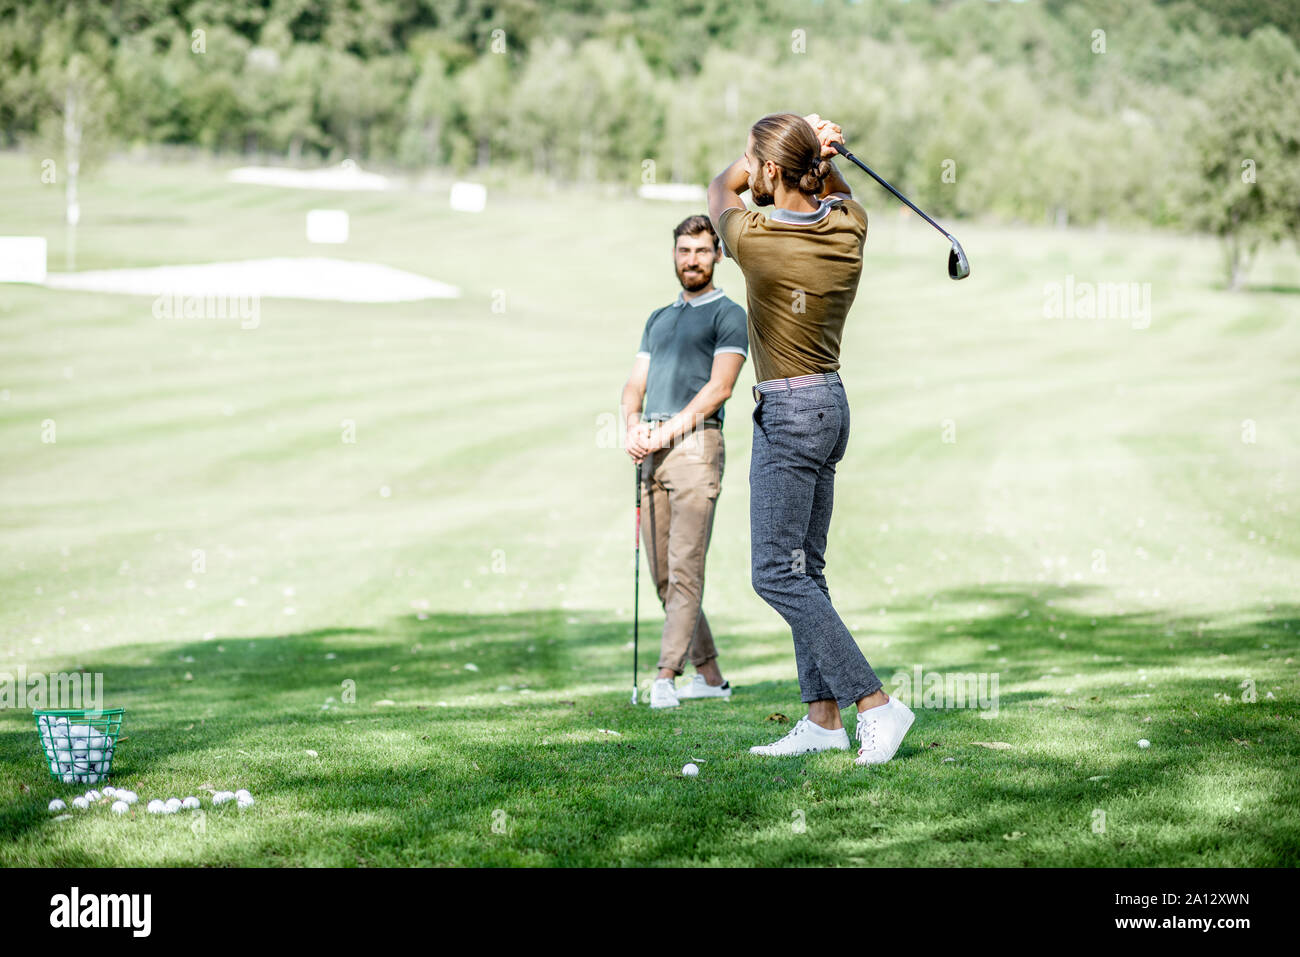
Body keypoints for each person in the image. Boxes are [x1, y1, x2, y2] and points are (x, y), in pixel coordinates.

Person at [707, 113, 915, 764]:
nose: (747, 168)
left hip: (791, 415)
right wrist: (822, 154)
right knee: (806, 570)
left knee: (775, 574)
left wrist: (799, 148)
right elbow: (833, 191)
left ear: (772, 171)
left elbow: (719, 189)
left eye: (755, 160)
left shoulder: (757, 240)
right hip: (831, 405)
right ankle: (822, 720)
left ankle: (874, 704)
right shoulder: (851, 224)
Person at [620, 215, 748, 710]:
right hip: (651, 450)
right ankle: (711, 677)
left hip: (696, 448)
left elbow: (720, 388)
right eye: (683, 250)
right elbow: (635, 385)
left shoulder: (729, 314)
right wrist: (634, 425)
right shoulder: (658, 318)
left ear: (717, 254)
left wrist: (662, 433)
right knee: (663, 577)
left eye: (700, 250)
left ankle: (665, 677)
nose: (691, 260)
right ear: (674, 254)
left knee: (684, 570)